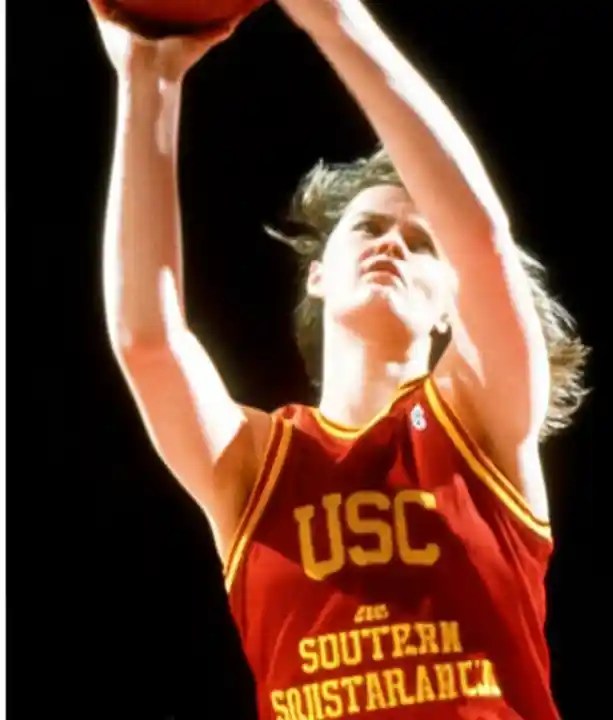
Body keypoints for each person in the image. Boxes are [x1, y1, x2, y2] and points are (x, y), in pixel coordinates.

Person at [91, 0, 587, 717]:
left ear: (453, 305)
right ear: (317, 274)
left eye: (421, 244)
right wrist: (147, 79)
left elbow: (480, 236)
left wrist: (336, 19)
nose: (392, 243)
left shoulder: (483, 418)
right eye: (370, 228)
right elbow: (147, 341)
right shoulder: (253, 463)